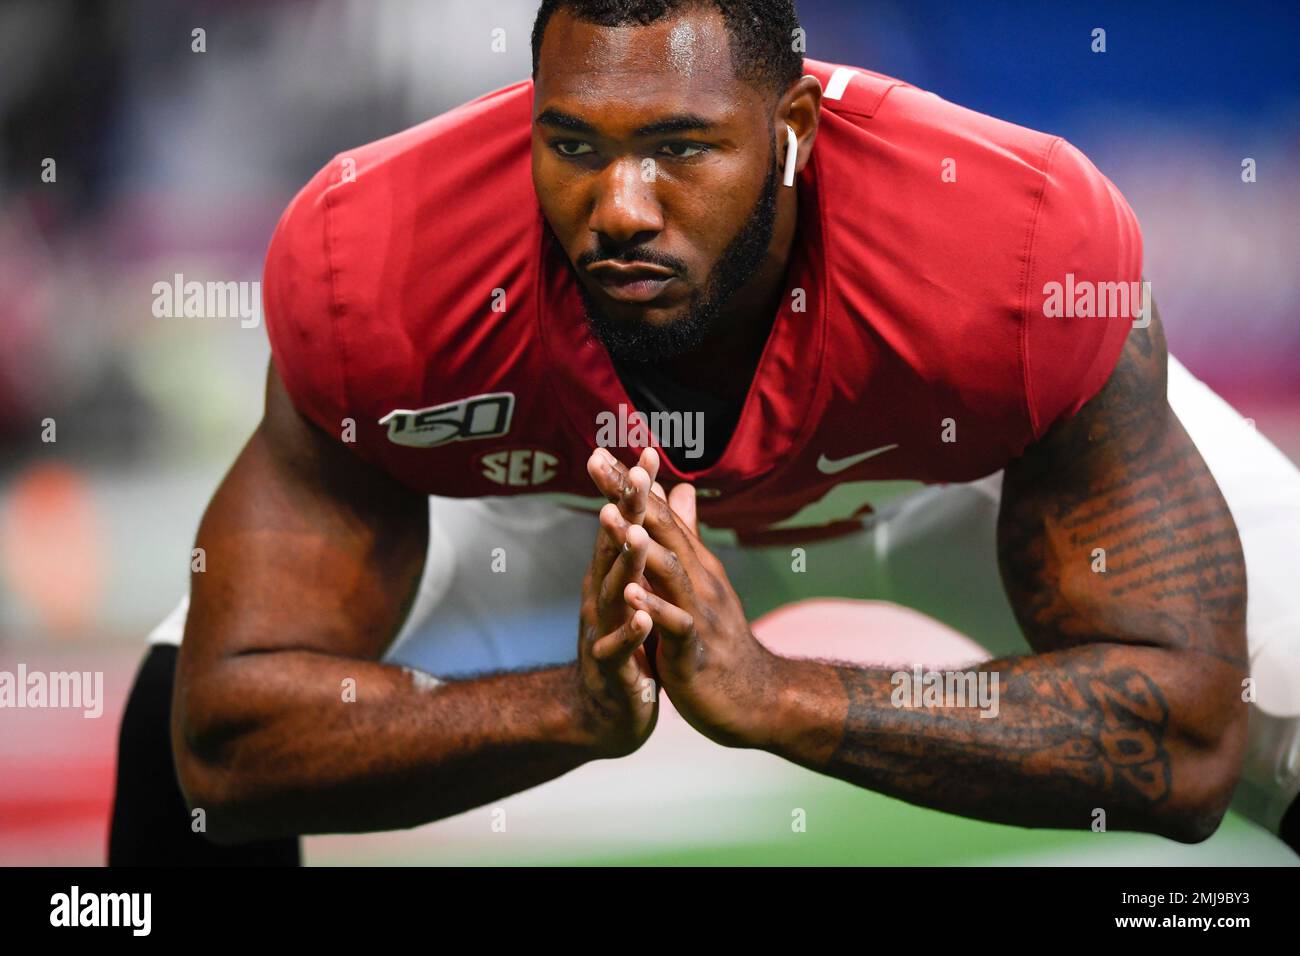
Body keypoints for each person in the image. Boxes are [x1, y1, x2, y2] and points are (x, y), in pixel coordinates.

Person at [109, 0, 1300, 865]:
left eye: (680, 147)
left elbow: (1185, 741)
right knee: (173, 750)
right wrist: (568, 707)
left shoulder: (1014, 250)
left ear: (795, 129)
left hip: (941, 484)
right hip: (570, 509)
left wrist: (780, 693)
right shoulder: (373, 262)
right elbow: (229, 745)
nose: (619, 208)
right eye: (573, 143)